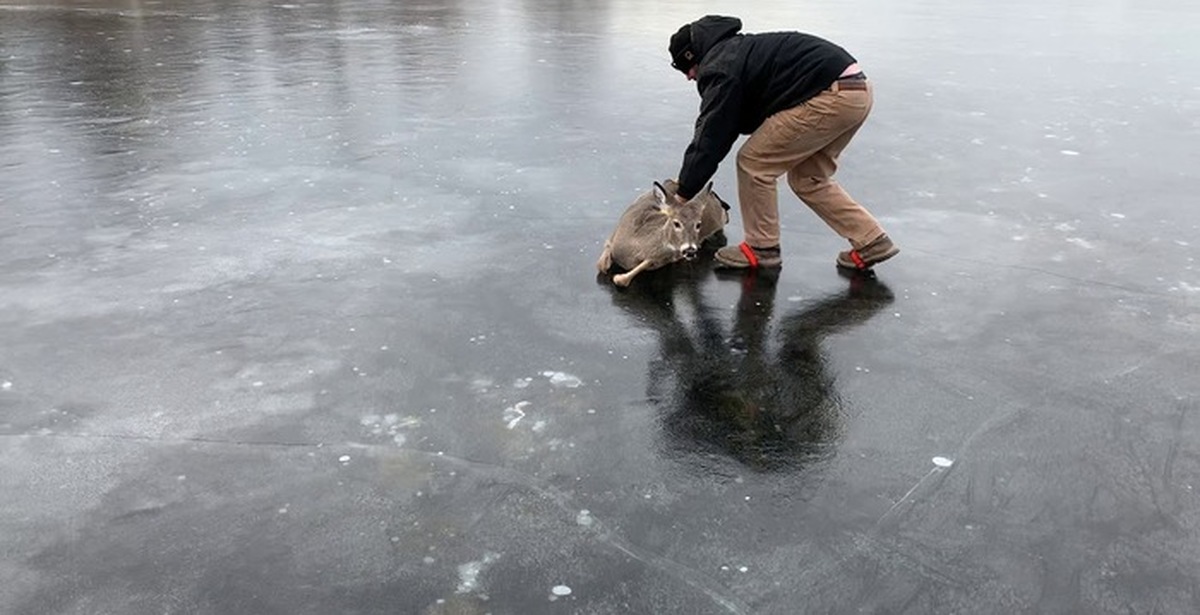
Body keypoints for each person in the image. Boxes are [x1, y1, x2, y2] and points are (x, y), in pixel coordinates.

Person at [668, 15, 899, 271]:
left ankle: (761, 248)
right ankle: (872, 240)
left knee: (754, 163)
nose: (688, 77)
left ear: (693, 56)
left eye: (684, 68)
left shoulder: (720, 66)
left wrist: (685, 191)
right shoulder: (737, 50)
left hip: (827, 95)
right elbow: (741, 117)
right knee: (808, 179)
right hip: (856, 92)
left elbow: (713, 132)